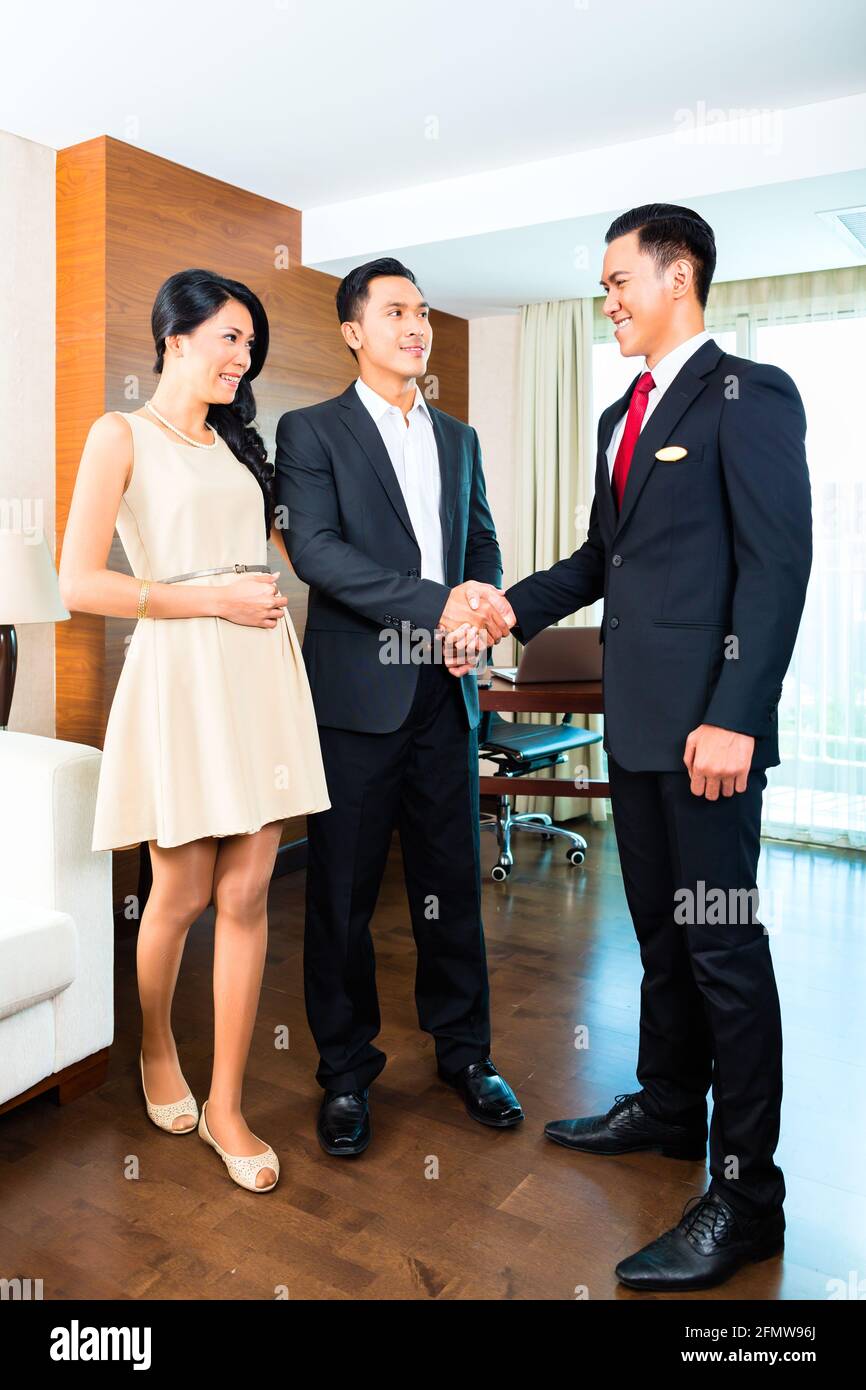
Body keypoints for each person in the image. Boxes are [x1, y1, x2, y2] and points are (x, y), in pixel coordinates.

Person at [466, 205, 811, 1291]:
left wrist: (737, 714)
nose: (607, 298)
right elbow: (596, 560)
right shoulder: (624, 409)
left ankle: (747, 1193)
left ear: (678, 278)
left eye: (619, 279)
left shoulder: (746, 396)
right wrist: (499, 607)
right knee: (660, 934)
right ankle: (669, 1111)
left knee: (721, 952)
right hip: (643, 732)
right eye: (602, 282)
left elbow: (776, 565)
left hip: (709, 735)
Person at [59, 268, 330, 1194]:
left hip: (260, 676)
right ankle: (158, 1048)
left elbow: (310, 553)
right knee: (177, 890)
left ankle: (226, 1103)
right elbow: (79, 585)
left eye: (249, 344)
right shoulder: (120, 434)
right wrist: (211, 597)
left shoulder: (240, 450)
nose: (241, 356)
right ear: (174, 338)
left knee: (249, 890)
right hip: (181, 673)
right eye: (228, 337)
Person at [274, 257, 523, 1157]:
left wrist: (478, 603)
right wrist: (437, 604)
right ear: (353, 332)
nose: (415, 326)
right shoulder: (310, 430)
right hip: (356, 697)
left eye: (421, 312)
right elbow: (319, 555)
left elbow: (482, 540)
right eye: (394, 312)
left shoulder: (459, 438)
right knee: (340, 892)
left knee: (450, 882)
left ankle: (465, 1054)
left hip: (444, 690)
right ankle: (345, 1072)